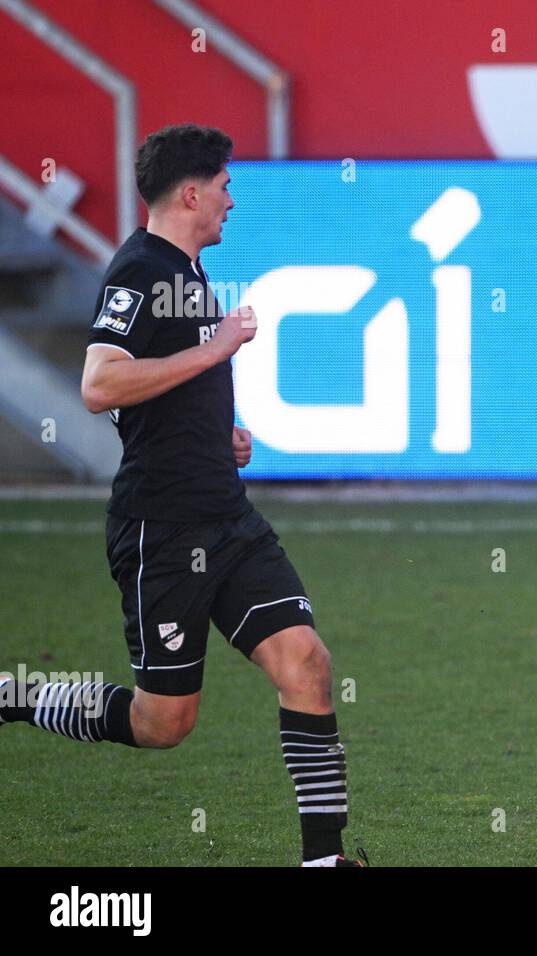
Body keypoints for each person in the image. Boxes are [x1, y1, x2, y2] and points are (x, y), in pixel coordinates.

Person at [0, 124, 363, 866]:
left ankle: (324, 861)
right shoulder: (141, 269)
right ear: (191, 193)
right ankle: (17, 695)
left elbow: (158, 387)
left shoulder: (186, 271)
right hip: (161, 531)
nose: (232, 199)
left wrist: (215, 433)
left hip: (226, 519)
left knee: (309, 665)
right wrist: (217, 347)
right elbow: (99, 383)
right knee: (164, 723)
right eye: (225, 186)